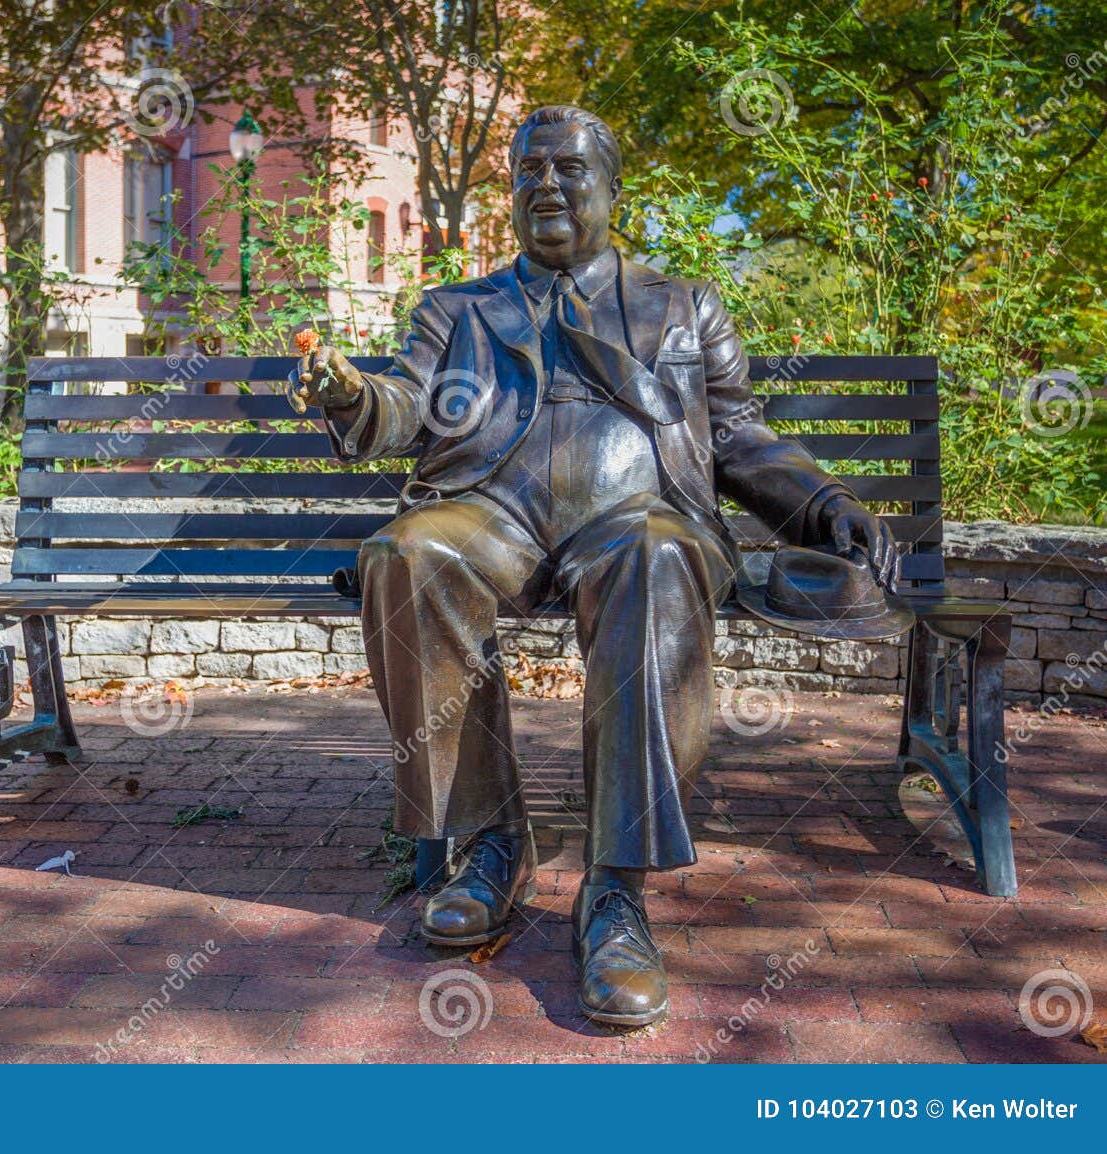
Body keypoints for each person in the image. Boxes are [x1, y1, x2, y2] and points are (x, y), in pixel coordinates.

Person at [289, 106, 897, 1026]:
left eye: (570, 169)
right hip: (492, 510)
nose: (548, 185)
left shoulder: (682, 306)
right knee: (406, 553)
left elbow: (737, 437)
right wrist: (349, 394)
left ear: (611, 187)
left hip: (636, 516)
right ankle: (489, 842)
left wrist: (826, 504)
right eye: (531, 170)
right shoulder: (458, 310)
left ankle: (615, 891)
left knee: (656, 559)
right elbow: (406, 408)